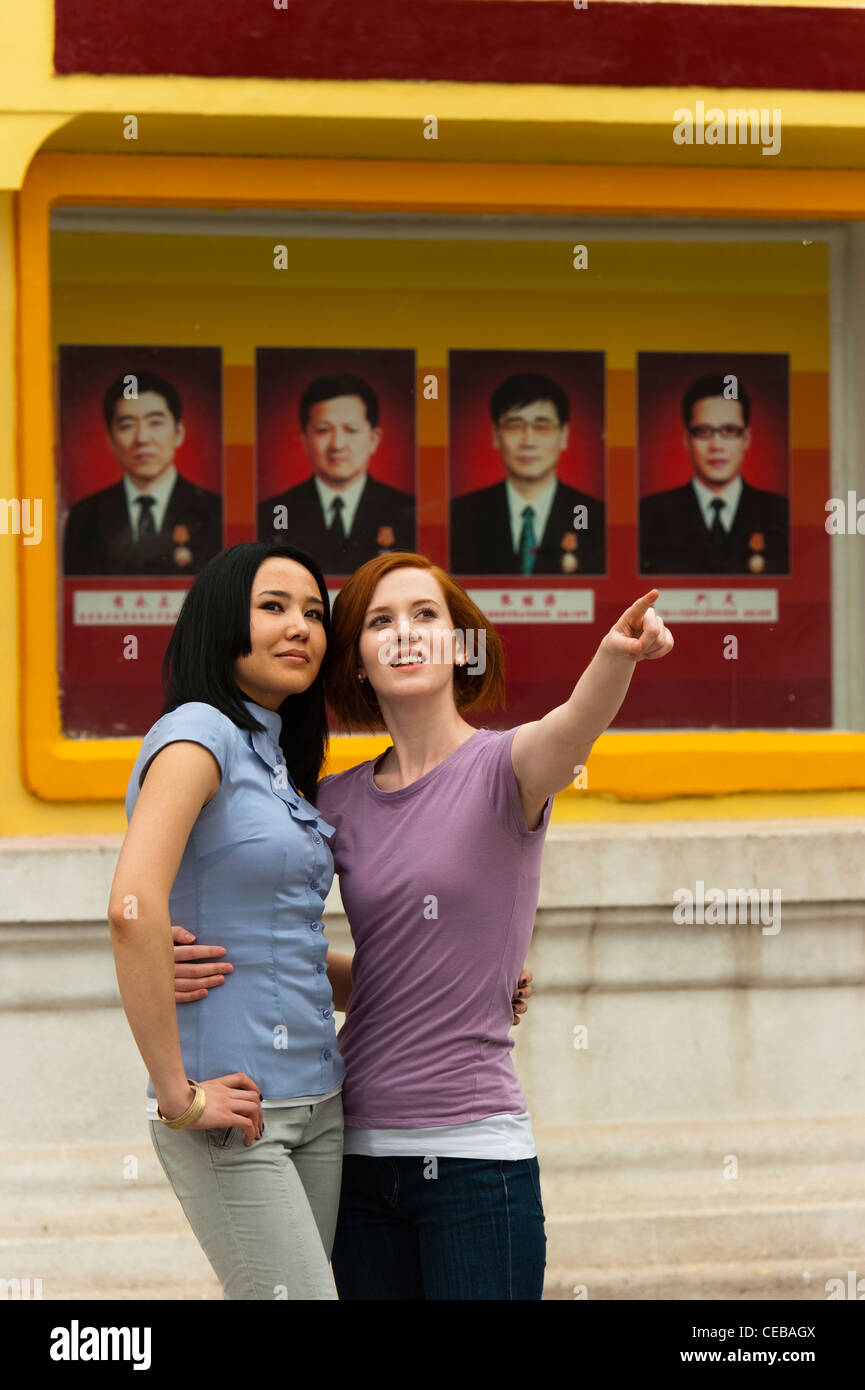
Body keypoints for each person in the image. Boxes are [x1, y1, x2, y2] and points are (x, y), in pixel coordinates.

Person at [174, 551, 674, 1300]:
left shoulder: (508, 768)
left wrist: (614, 657)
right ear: (357, 661)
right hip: (351, 1152)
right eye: (379, 621)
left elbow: (575, 727)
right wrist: (188, 961)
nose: (402, 633)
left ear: (459, 643)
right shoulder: (332, 801)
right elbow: (272, 926)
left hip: (476, 1162)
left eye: (424, 616)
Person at [108, 542, 346, 1299]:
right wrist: (178, 1094)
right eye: (273, 607)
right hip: (232, 1110)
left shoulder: (277, 758)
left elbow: (290, 951)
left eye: (314, 613)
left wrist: (467, 977)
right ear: (222, 622)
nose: (300, 626)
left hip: (320, 1104)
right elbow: (130, 908)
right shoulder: (197, 734)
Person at [64, 370, 223, 576]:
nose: (142, 438)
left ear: (178, 433)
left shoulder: (215, 512)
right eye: (127, 425)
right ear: (110, 440)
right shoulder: (83, 517)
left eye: (155, 422)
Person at [449, 372, 605, 576]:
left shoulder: (594, 517)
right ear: (496, 435)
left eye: (542, 426)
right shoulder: (460, 516)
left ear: (564, 435)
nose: (528, 441)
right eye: (515, 426)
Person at [257, 372, 415, 573]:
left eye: (351, 430)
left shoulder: (410, 513)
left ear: (374, 439)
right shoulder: (272, 513)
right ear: (304, 440)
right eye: (323, 430)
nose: (337, 444)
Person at [639, 373, 789, 575]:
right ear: (686, 439)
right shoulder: (648, 516)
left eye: (729, 430)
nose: (716, 445)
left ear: (746, 438)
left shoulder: (782, 515)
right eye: (703, 431)